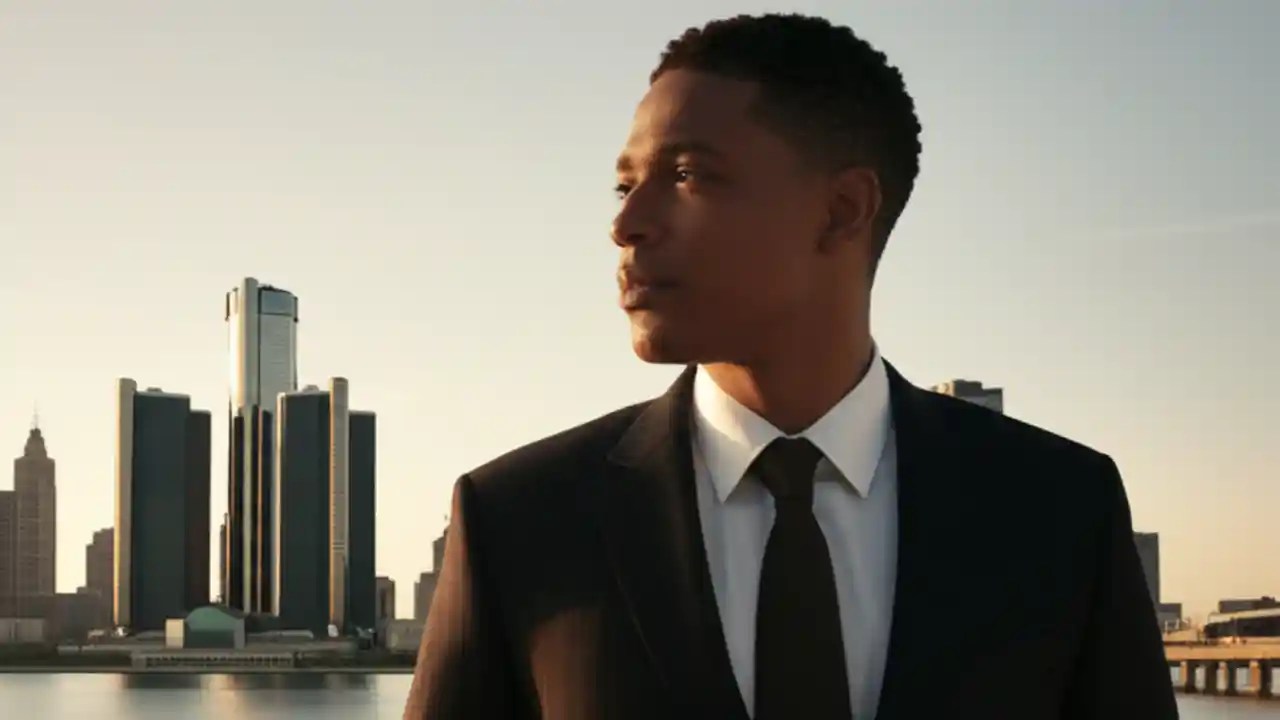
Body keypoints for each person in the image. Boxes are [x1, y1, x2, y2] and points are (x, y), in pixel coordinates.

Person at [404, 13, 1177, 720]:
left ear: (842, 210)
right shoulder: (519, 520)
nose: (626, 224)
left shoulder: (1059, 510)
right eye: (626, 182)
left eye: (686, 176)